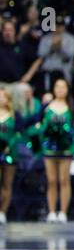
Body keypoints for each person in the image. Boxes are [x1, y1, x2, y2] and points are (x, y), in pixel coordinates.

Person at [35, 77, 74, 223]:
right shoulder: (47, 107)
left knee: (64, 179)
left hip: (66, 148)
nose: (60, 89)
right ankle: (52, 211)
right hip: (49, 148)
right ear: (54, 89)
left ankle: (63, 212)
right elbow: (38, 124)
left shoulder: (71, 107)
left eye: (63, 87)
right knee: (52, 180)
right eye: (57, 86)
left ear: (67, 90)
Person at [0, 86, 20, 224]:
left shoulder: (14, 115)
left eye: (3, 96)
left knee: (7, 183)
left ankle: (3, 212)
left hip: (9, 153)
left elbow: (19, 134)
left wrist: (9, 146)